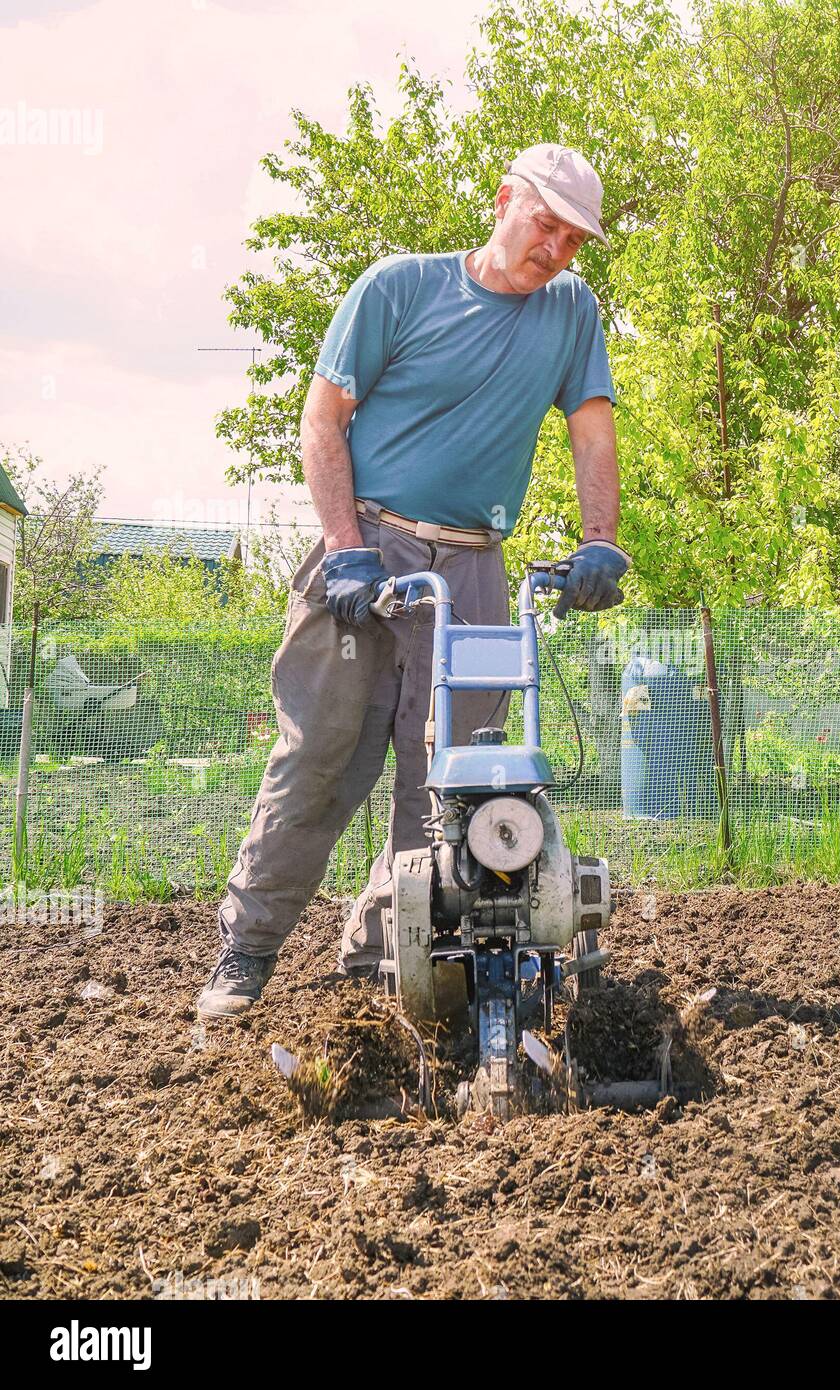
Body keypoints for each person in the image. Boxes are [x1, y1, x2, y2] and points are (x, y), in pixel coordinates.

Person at [196, 143, 630, 1019]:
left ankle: (387, 955)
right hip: (366, 550)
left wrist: (600, 543)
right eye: (545, 224)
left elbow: (591, 431)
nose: (556, 248)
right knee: (318, 760)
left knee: (451, 781)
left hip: (472, 570)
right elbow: (323, 420)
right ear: (504, 200)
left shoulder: (570, 312)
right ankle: (245, 954)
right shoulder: (398, 287)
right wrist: (344, 545)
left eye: (574, 239)